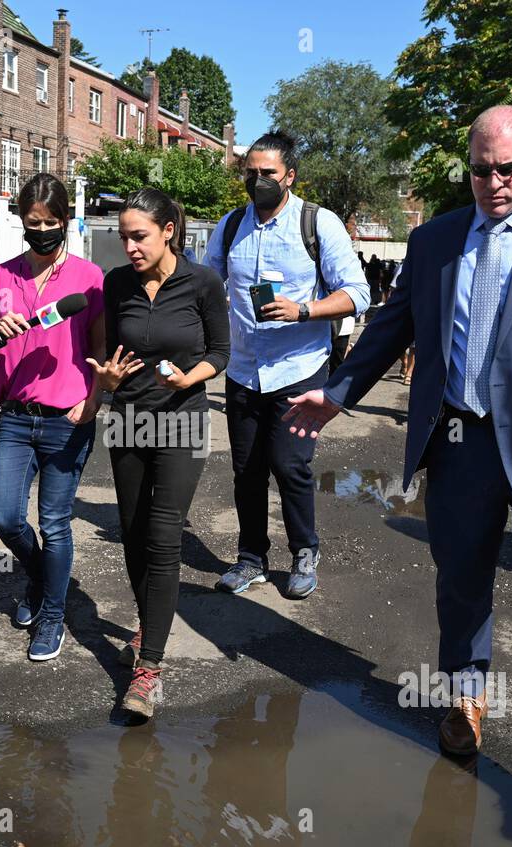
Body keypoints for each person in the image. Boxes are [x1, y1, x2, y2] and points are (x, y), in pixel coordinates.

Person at [284, 105, 512, 814]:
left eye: (507, 168)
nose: (494, 182)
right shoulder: (439, 237)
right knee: (461, 587)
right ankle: (467, 699)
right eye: (480, 170)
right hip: (459, 446)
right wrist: (337, 393)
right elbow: (394, 326)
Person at [203, 131, 369, 600]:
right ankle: (252, 558)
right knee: (246, 470)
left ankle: (304, 551)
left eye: (268, 174)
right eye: (251, 173)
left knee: (289, 464)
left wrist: (304, 309)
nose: (258, 182)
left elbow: (359, 293)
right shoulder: (231, 224)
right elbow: (207, 281)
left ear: (290, 176)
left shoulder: (319, 224)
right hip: (243, 370)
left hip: (299, 368)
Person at [90, 187, 229, 718]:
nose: (128, 246)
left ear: (168, 230)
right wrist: (105, 377)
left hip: (182, 420)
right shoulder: (116, 283)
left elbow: (222, 352)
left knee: (164, 534)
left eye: (139, 236)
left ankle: (147, 668)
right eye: (124, 236)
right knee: (132, 530)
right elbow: (109, 349)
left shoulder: (202, 283)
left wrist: (189, 377)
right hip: (128, 419)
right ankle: (150, 621)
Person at [0, 173, 105, 662]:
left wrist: (93, 400)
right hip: (15, 417)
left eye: (51, 222)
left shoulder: (90, 278)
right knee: (6, 518)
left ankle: (51, 615)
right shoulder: (2, 277)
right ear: (21, 222)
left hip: (66, 419)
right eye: (33, 222)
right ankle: (43, 578)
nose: (42, 230)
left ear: (65, 222)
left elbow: (100, 350)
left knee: (55, 522)